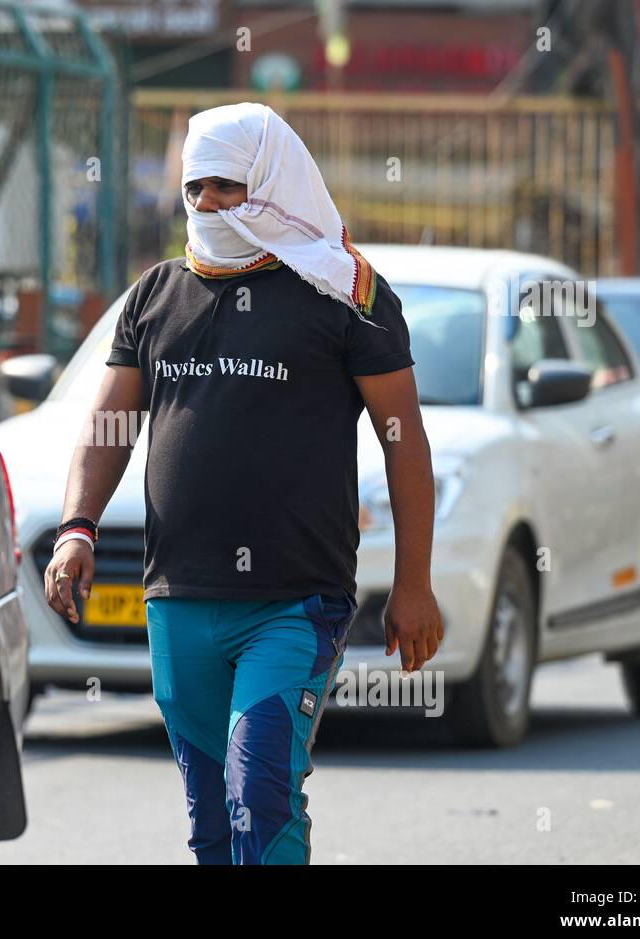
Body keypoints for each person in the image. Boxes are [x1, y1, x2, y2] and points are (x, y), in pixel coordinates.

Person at [43, 102, 444, 865]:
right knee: (212, 823)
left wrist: (413, 584)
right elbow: (108, 427)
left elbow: (404, 441)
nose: (209, 205)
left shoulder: (347, 293)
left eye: (228, 187)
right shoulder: (157, 293)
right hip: (178, 601)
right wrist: (75, 527)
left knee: (261, 791)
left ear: (272, 180)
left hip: (295, 601)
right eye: (196, 189)